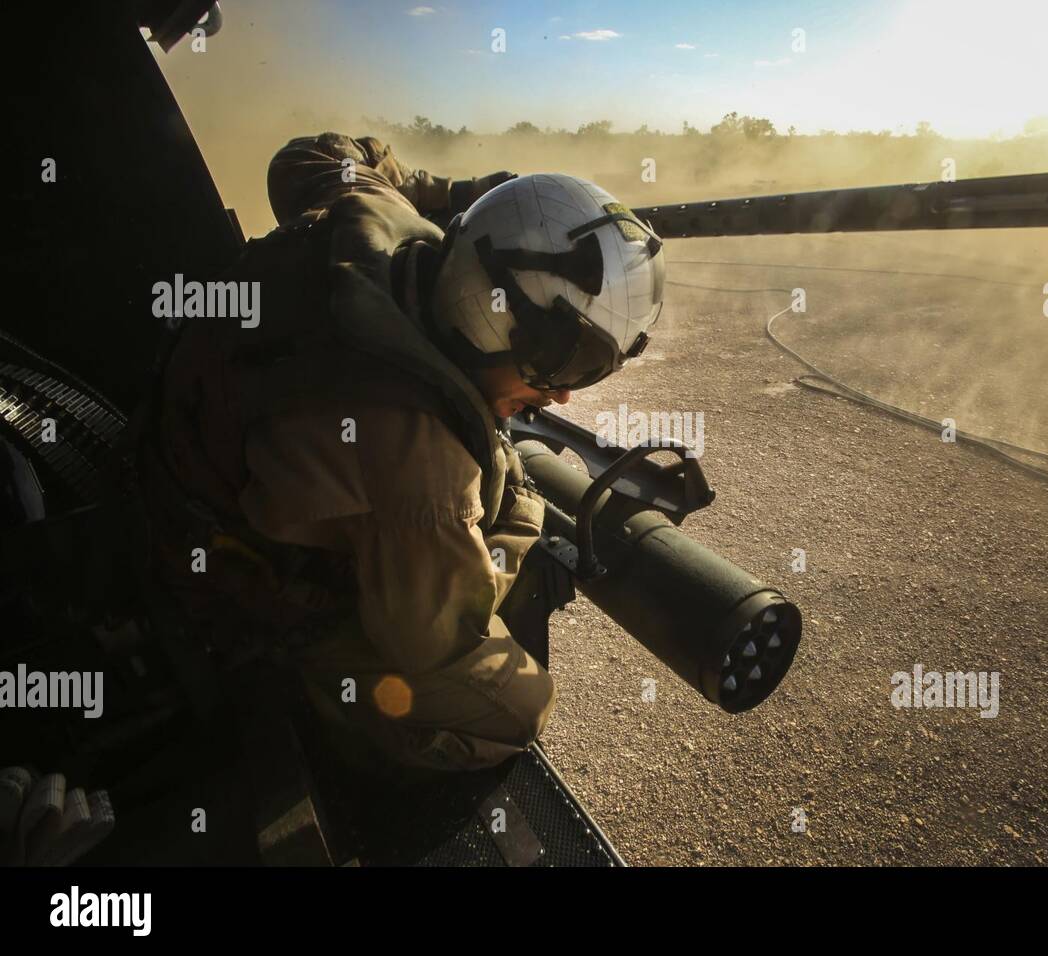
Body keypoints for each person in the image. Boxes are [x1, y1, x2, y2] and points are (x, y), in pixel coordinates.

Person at [141, 132, 665, 772]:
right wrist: (522, 523)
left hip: (186, 423)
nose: (559, 397)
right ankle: (306, 692)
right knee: (519, 706)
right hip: (194, 546)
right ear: (498, 322)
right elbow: (437, 639)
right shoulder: (423, 468)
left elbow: (307, 155)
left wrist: (460, 196)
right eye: (570, 365)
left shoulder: (374, 213)